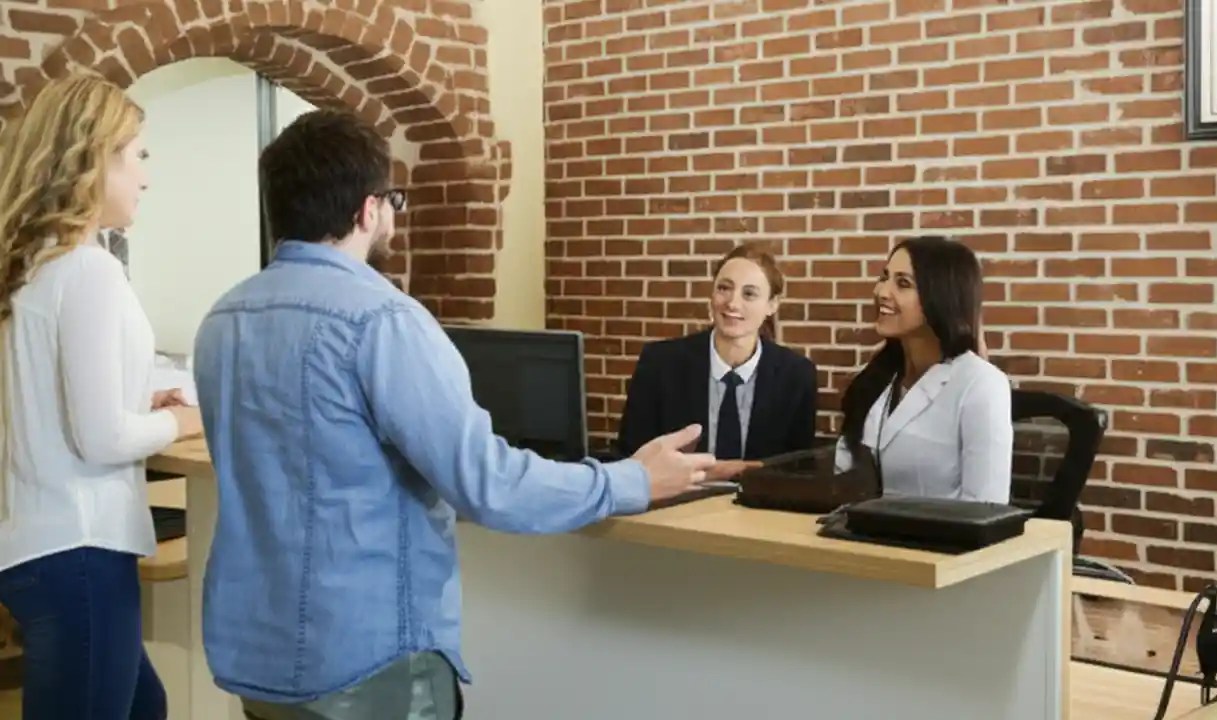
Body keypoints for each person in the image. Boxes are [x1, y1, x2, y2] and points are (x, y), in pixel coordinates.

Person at [191, 109, 717, 720]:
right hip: (363, 666)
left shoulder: (223, 319)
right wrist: (633, 479)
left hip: (254, 659)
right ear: (368, 210)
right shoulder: (382, 320)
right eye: (392, 201)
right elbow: (488, 485)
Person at [0, 74, 203, 720]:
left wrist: (143, 406)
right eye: (138, 154)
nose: (146, 175)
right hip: (80, 551)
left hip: (41, 550)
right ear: (95, 160)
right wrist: (185, 420)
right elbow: (101, 439)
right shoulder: (89, 270)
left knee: (147, 707)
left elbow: (55, 407)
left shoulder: (32, 267)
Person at [834, 236, 1012, 503]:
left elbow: (986, 509)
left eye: (903, 283)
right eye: (884, 277)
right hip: (859, 539)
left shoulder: (981, 384)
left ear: (941, 296)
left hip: (941, 542)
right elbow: (843, 479)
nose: (882, 291)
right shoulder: (877, 377)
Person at [616, 243, 818, 471]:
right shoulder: (660, 363)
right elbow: (632, 458)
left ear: (772, 305)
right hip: (676, 502)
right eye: (724, 288)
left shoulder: (797, 376)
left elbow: (797, 470)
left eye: (749, 294)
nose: (732, 303)